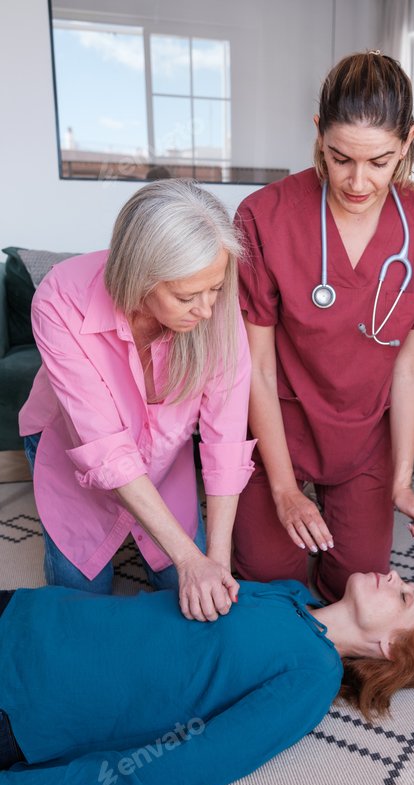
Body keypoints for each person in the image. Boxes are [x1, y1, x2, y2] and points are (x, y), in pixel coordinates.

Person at [232, 52, 414, 601]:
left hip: (364, 436)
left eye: (379, 162)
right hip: (277, 427)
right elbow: (256, 367)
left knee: (354, 587)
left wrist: (402, 482)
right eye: (340, 158)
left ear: (407, 143)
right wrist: (285, 490)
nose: (358, 182)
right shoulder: (263, 216)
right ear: (319, 135)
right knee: (269, 583)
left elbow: (412, 366)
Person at [0, 569, 414, 785]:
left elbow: (190, 763)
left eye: (404, 595)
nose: (394, 575)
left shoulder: (314, 677)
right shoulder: (289, 592)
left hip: (26, 701)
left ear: (390, 647)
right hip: (30, 613)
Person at [19, 180, 256, 620]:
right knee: (79, 606)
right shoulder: (61, 298)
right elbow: (106, 451)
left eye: (216, 289)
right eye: (186, 297)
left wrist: (214, 560)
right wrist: (188, 559)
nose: (208, 310)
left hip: (165, 450)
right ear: (140, 277)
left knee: (194, 591)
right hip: (73, 453)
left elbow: (225, 437)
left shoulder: (212, 298)